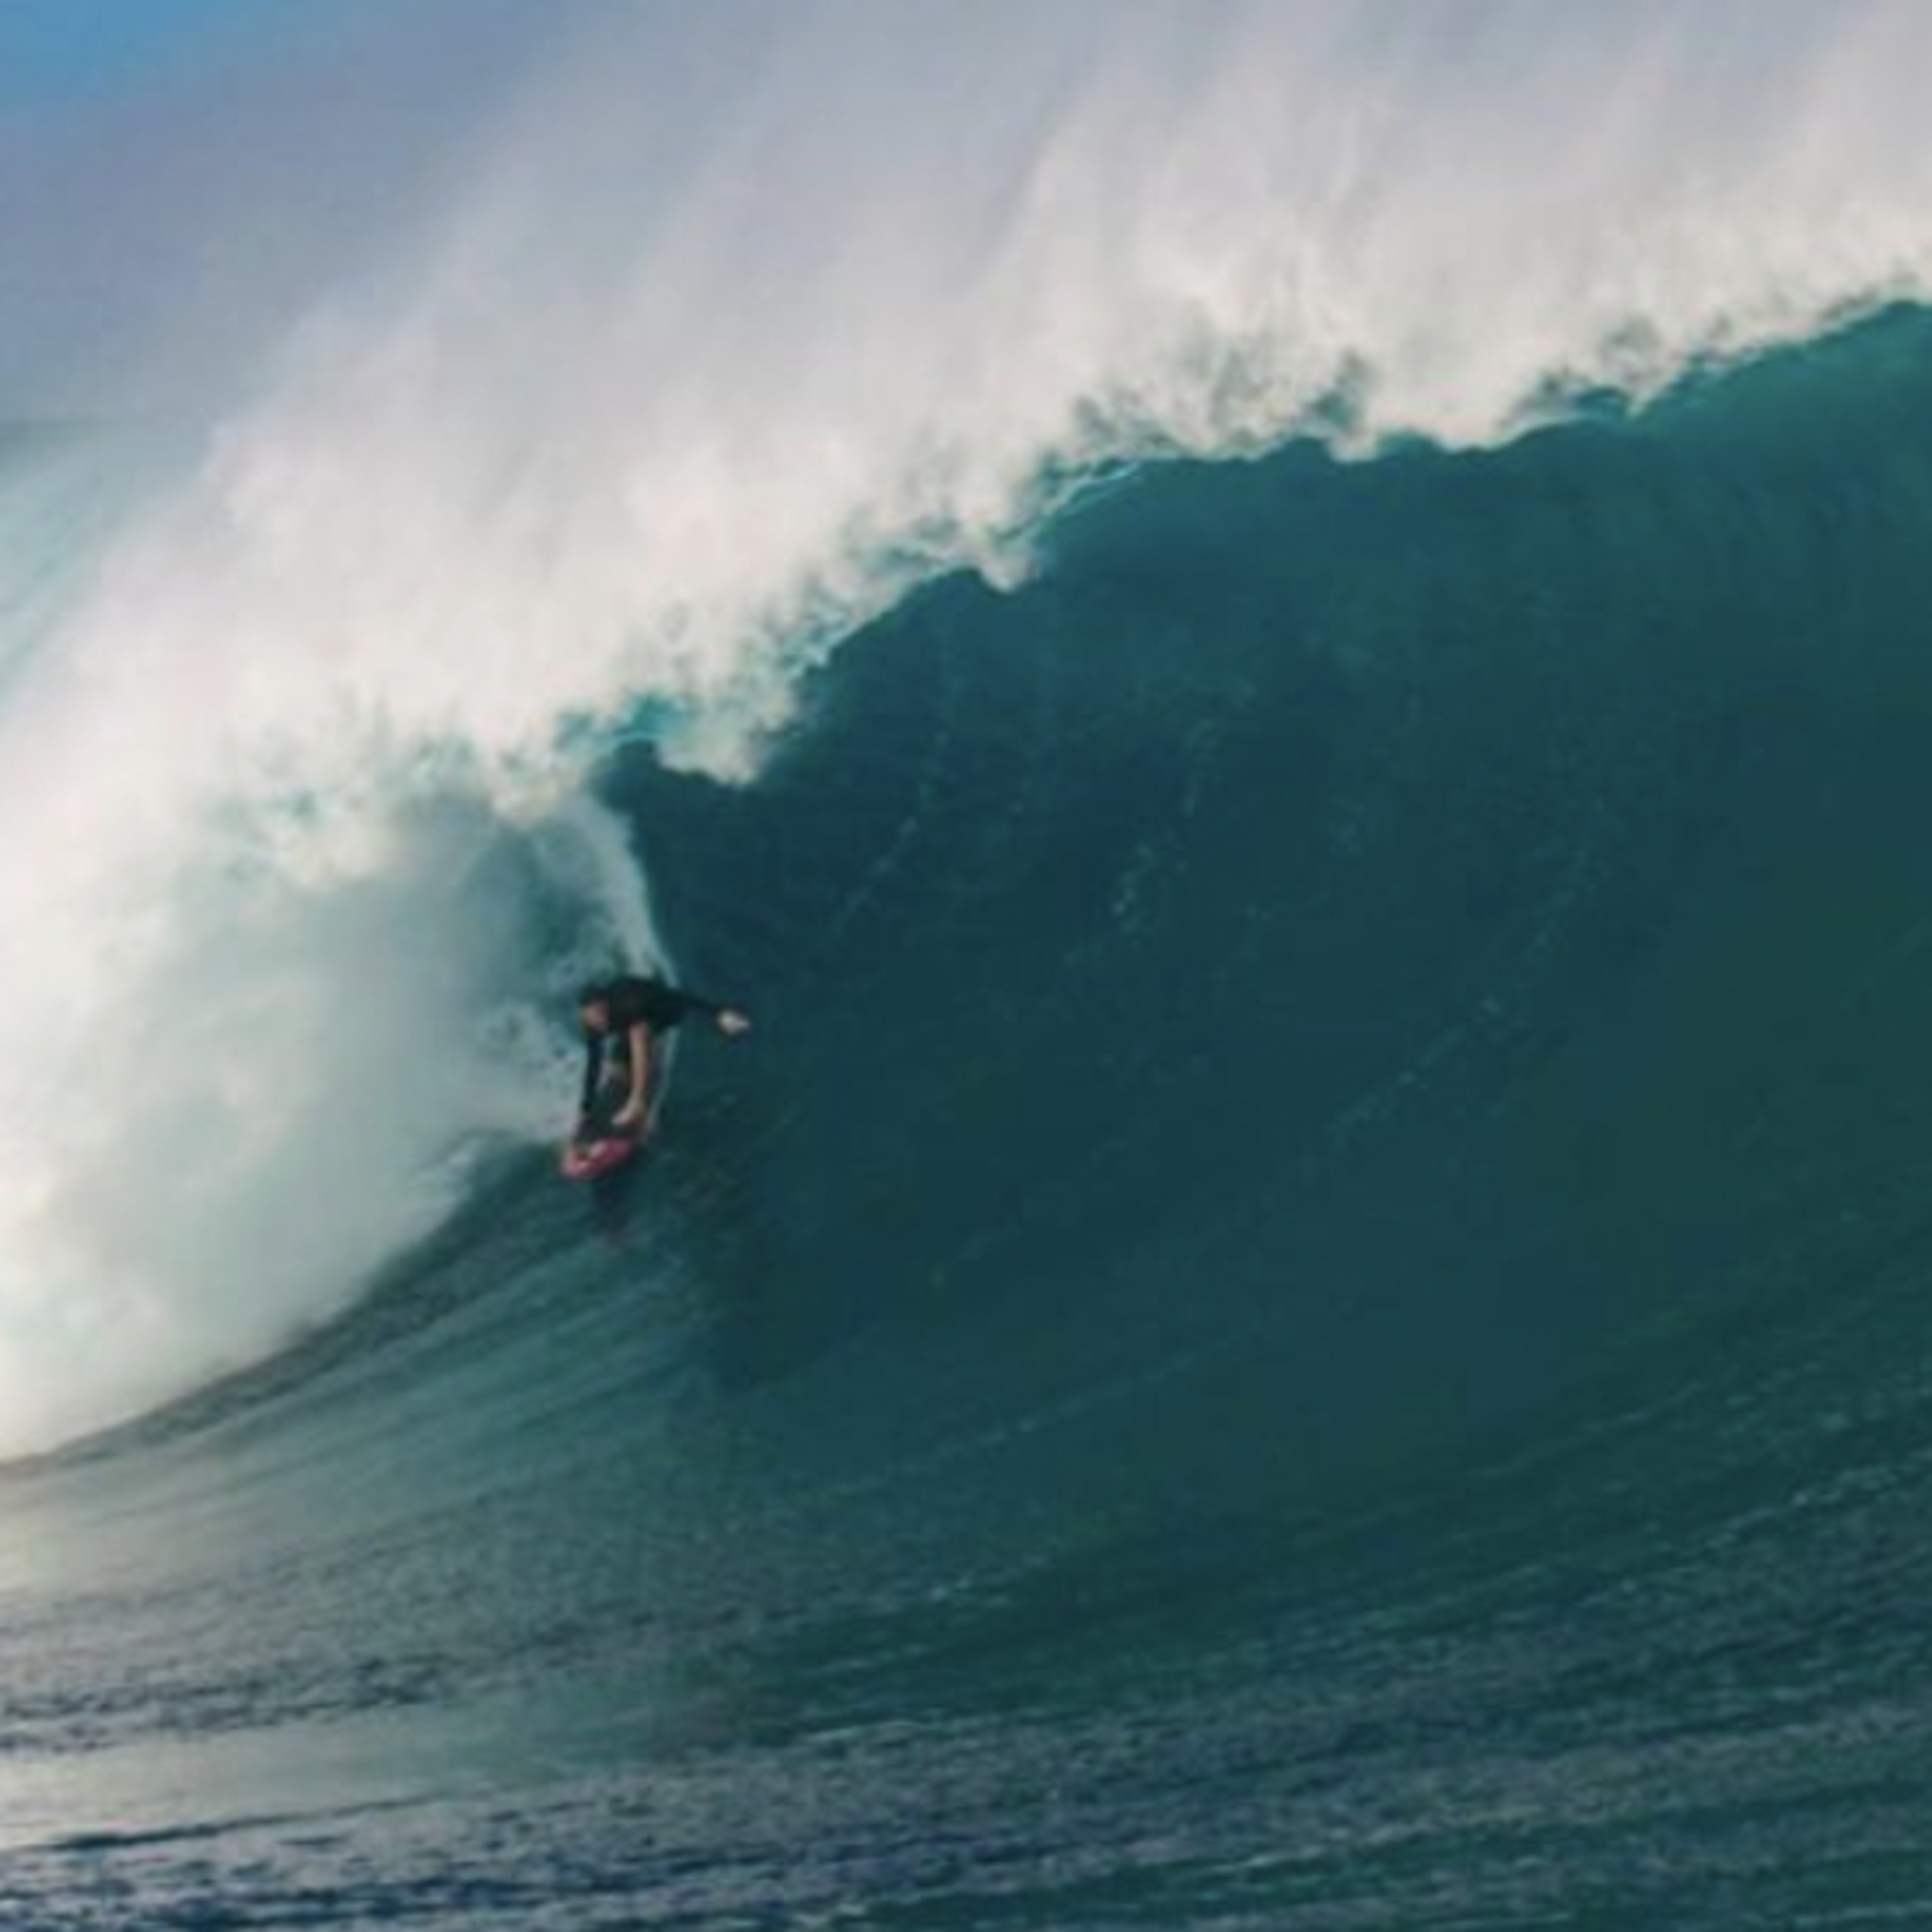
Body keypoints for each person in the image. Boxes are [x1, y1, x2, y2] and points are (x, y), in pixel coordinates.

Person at [571, 971, 751, 1151]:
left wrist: (718, 1013)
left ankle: (638, 1102)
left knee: (638, 1034)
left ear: (603, 1006)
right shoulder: (592, 1022)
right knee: (616, 1066)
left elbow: (681, 998)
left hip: (665, 1013)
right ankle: (625, 1082)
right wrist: (586, 1107)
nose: (594, 1024)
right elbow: (594, 1062)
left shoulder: (630, 1003)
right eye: (588, 1019)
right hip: (630, 1020)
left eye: (595, 1017)